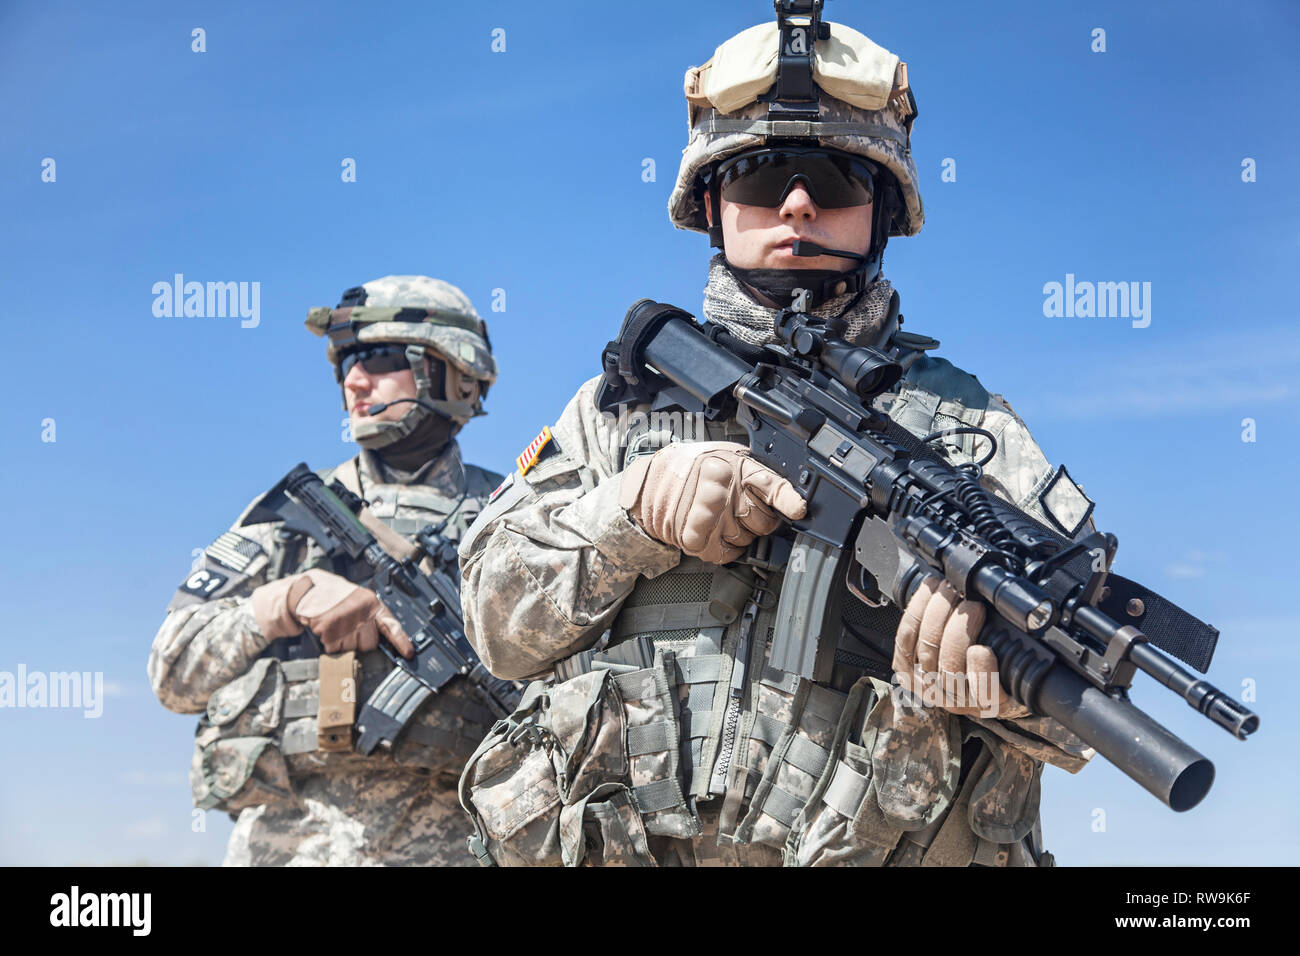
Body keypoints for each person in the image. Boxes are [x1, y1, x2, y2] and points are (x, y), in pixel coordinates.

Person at [456, 10, 1097, 867]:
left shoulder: (970, 428)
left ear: (882, 210)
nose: (798, 202)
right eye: (762, 176)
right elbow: (494, 628)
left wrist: (1001, 686)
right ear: (712, 204)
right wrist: (629, 514)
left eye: (834, 179)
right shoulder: (613, 412)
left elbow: (1090, 697)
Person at [148, 275, 503, 866]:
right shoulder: (298, 518)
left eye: (380, 359)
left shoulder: (514, 515)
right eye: (345, 366)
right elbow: (171, 670)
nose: (355, 381)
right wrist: (286, 600)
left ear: (456, 372)